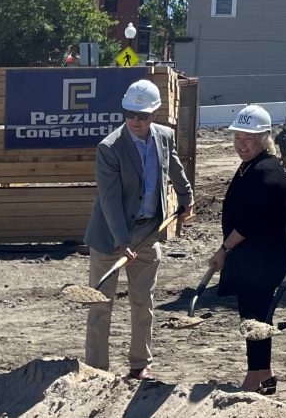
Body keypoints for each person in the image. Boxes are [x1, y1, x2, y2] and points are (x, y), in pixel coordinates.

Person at [84, 78, 194, 380]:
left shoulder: (164, 137)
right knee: (100, 306)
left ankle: (139, 363)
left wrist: (186, 197)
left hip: (147, 233)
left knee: (143, 302)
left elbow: (174, 166)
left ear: (155, 113)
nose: (135, 120)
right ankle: (96, 370)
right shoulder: (110, 148)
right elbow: (108, 200)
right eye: (130, 114)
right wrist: (122, 241)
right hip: (110, 237)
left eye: (142, 115)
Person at [210, 104, 286, 395]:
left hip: (261, 261)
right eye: (238, 139)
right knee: (254, 318)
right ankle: (265, 375)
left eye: (248, 140)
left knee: (256, 320)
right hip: (252, 260)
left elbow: (251, 222)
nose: (241, 146)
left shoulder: (267, 171)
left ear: (263, 139)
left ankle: (254, 378)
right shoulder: (251, 166)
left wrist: (224, 249)